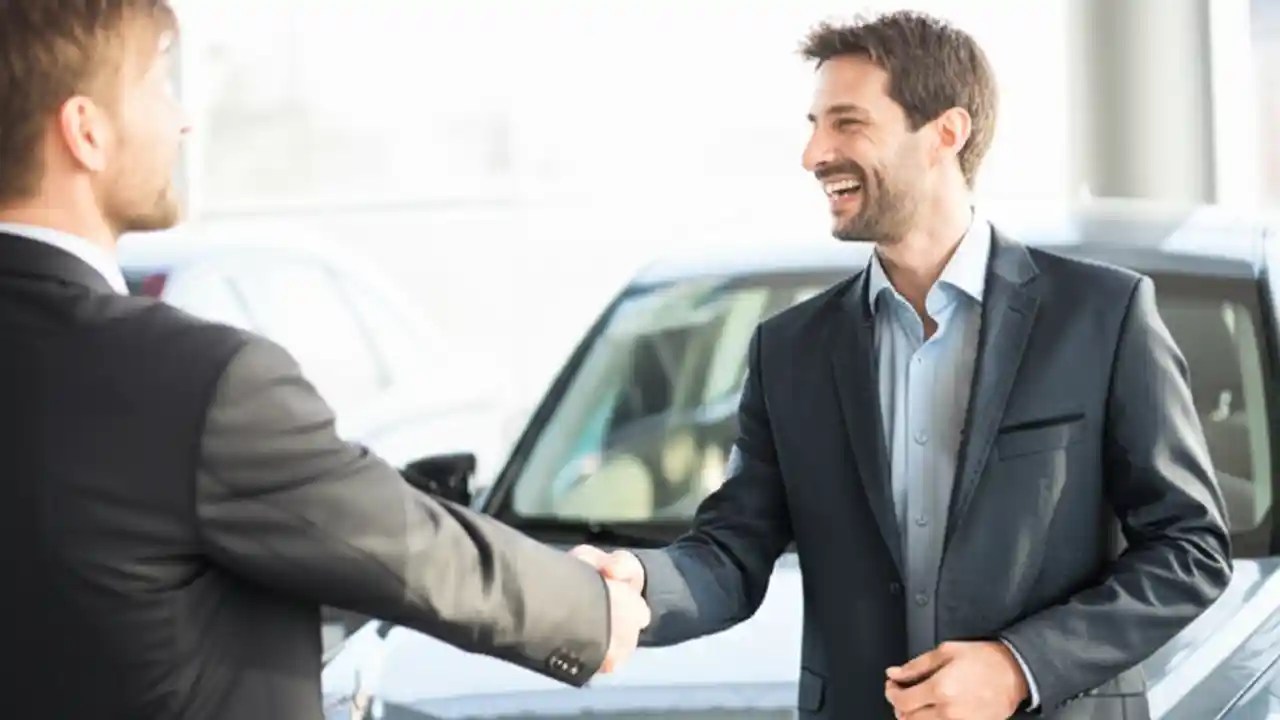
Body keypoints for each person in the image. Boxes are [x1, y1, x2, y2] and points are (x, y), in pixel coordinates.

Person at [572, 10, 1231, 720]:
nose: (813, 153)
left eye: (846, 123)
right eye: (814, 124)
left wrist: (1019, 667)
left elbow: (1189, 549)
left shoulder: (1102, 316)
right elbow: (732, 551)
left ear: (945, 134)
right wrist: (640, 581)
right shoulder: (789, 351)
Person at [0, 2, 650, 718]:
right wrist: (593, 611)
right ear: (86, 132)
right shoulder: (193, 385)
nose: (182, 121)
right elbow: (406, 548)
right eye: (159, 85)